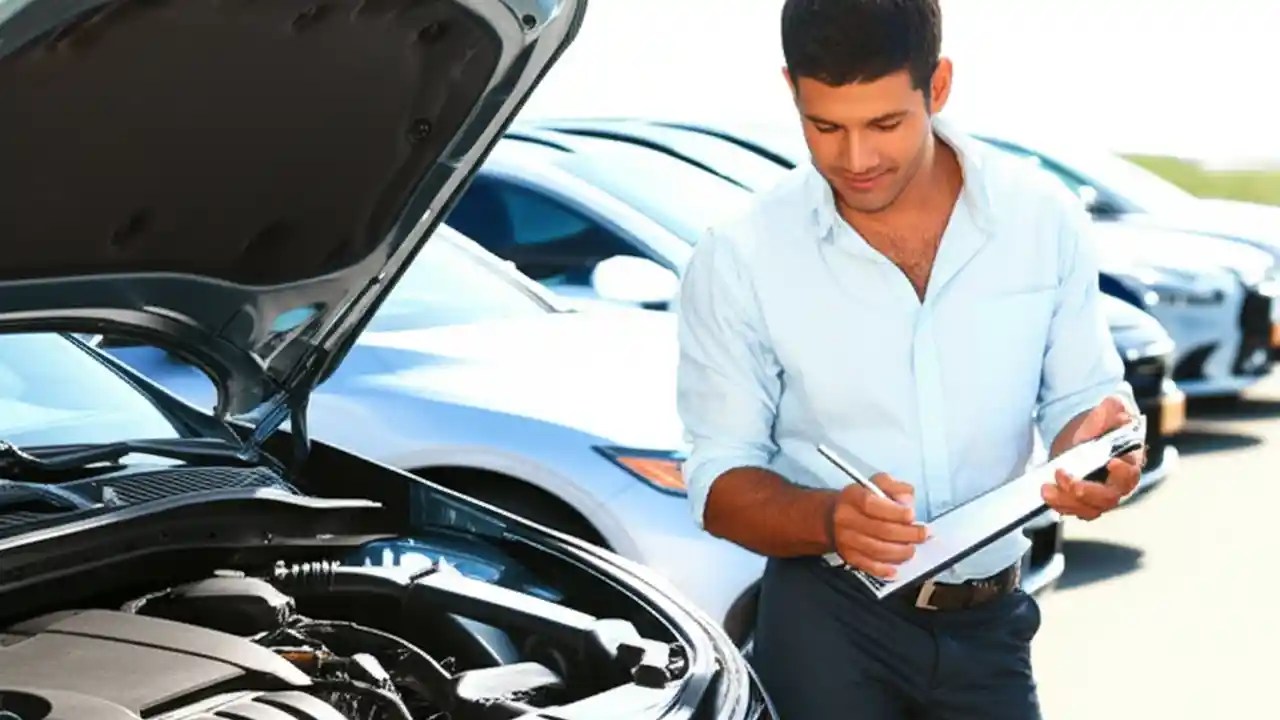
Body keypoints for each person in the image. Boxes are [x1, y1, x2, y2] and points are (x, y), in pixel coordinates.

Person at [673, 1, 1144, 718]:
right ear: (790, 89)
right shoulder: (739, 255)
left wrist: (1094, 452)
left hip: (994, 626)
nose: (855, 160)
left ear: (940, 86)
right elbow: (717, 479)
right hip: (827, 624)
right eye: (825, 125)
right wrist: (830, 518)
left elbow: (1085, 399)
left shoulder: (1040, 219)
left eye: (884, 124)